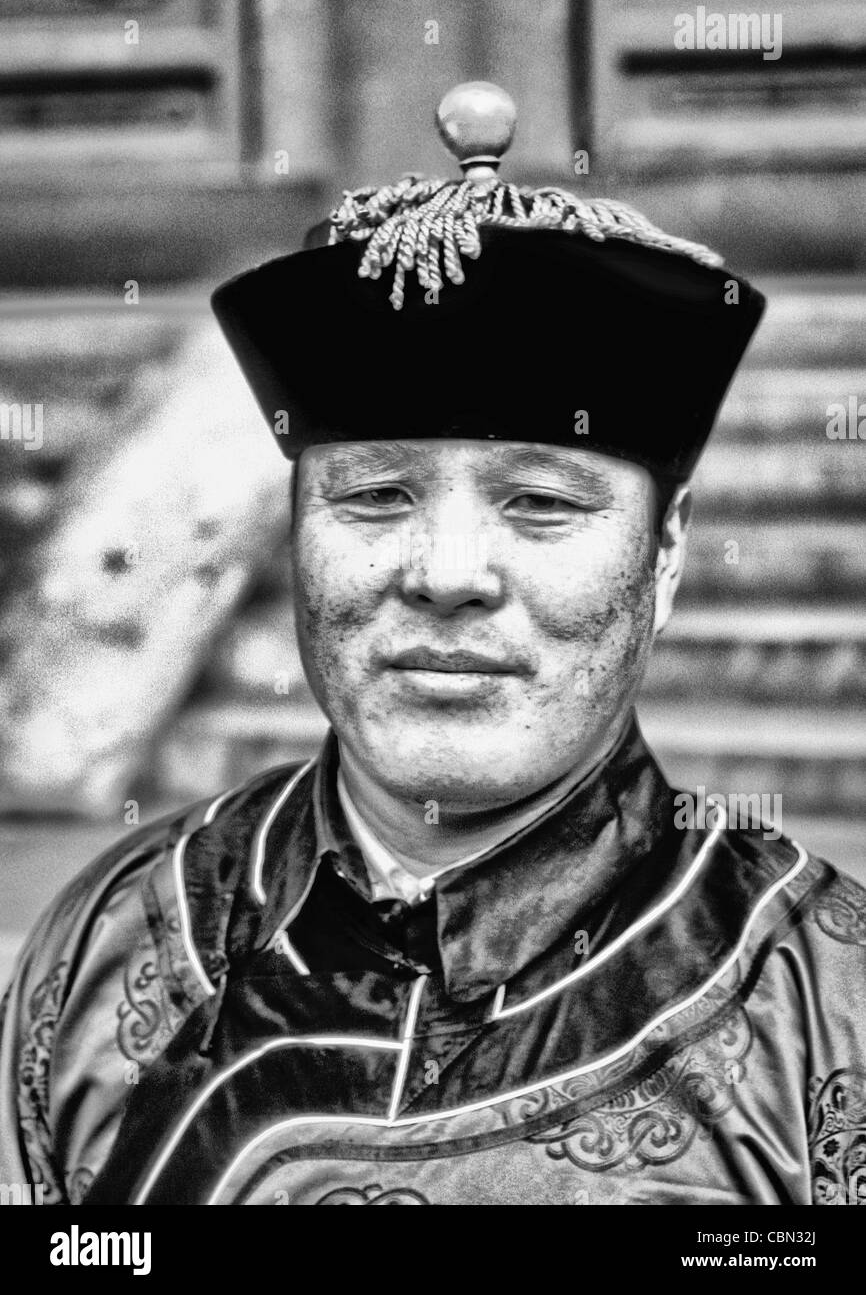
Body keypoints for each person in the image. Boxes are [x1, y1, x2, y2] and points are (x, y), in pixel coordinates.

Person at [1, 83, 864, 1207]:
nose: (447, 573)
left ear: (663, 558)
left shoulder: (825, 1004)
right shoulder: (117, 929)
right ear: (295, 535)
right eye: (373, 497)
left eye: (541, 505)